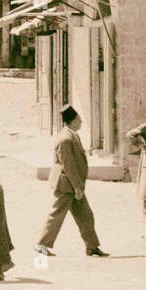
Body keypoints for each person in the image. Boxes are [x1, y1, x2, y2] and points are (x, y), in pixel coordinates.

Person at [36, 106, 108, 257]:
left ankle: (92, 246)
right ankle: (42, 244)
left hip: (73, 185)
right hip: (66, 185)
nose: (81, 122)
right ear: (73, 121)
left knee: (86, 216)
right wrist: (77, 187)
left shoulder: (71, 135)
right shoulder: (65, 139)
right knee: (57, 215)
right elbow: (68, 166)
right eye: (79, 120)